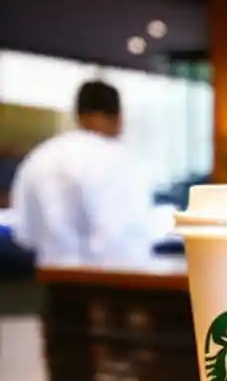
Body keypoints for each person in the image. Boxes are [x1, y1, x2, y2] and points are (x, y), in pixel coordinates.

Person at [10, 80, 153, 266]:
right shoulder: (118, 159)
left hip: (46, 283)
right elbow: (130, 239)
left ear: (77, 115)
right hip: (111, 282)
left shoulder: (40, 156)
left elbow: (24, 234)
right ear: (119, 118)